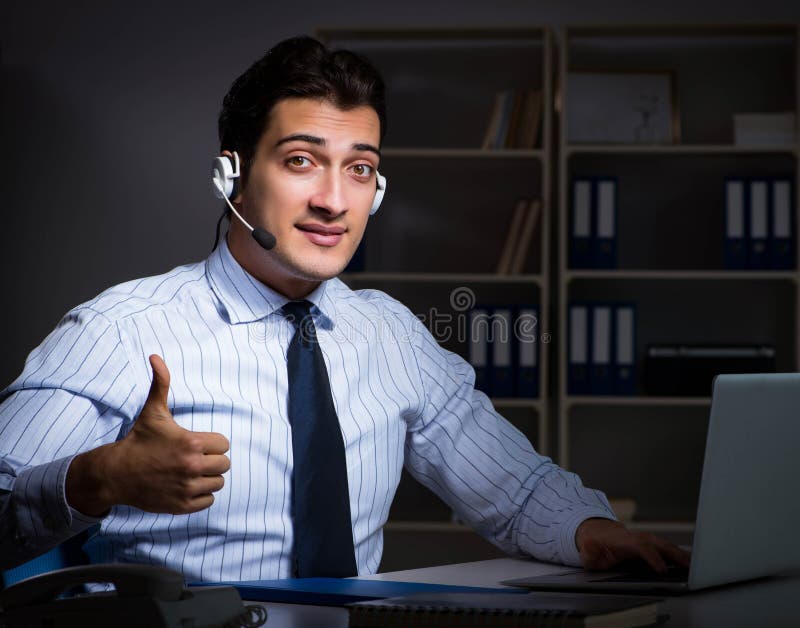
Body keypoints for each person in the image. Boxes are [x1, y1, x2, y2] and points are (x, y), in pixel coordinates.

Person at [0, 36, 689, 581]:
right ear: (230, 176)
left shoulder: (387, 332)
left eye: (359, 168)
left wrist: (597, 535)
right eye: (302, 161)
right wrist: (96, 478)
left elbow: (513, 487)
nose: (335, 200)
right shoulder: (121, 330)